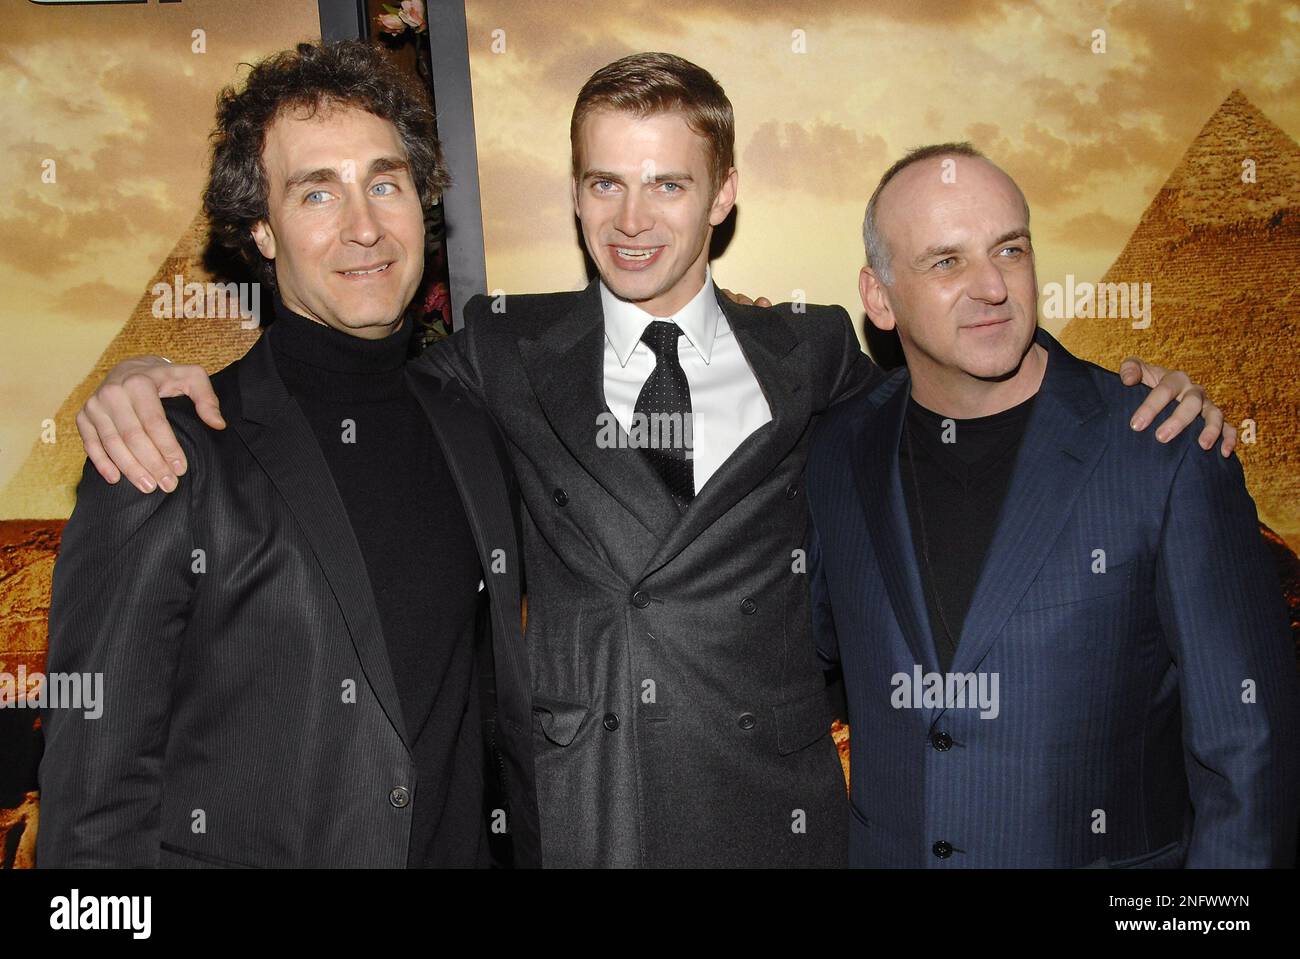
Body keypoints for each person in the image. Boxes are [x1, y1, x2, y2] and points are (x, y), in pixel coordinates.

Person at [71, 53, 1230, 868]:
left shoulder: (817, 347)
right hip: (584, 822)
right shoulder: (494, 352)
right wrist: (149, 375)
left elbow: (973, 375)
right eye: (604, 184)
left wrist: (1120, 389)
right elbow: (321, 386)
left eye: (669, 182)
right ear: (573, 200)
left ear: (722, 196)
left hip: (780, 822)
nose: (634, 219)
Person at [39, 41, 538, 869]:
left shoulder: (471, 427)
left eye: (385, 182)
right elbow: (93, 801)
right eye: (318, 193)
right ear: (263, 231)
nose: (365, 227)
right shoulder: (168, 446)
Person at [806, 142, 1298, 868]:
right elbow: (787, 668)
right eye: (946, 262)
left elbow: (1250, 756)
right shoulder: (836, 452)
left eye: (1009, 250)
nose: (992, 287)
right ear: (878, 296)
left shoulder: (1162, 449)